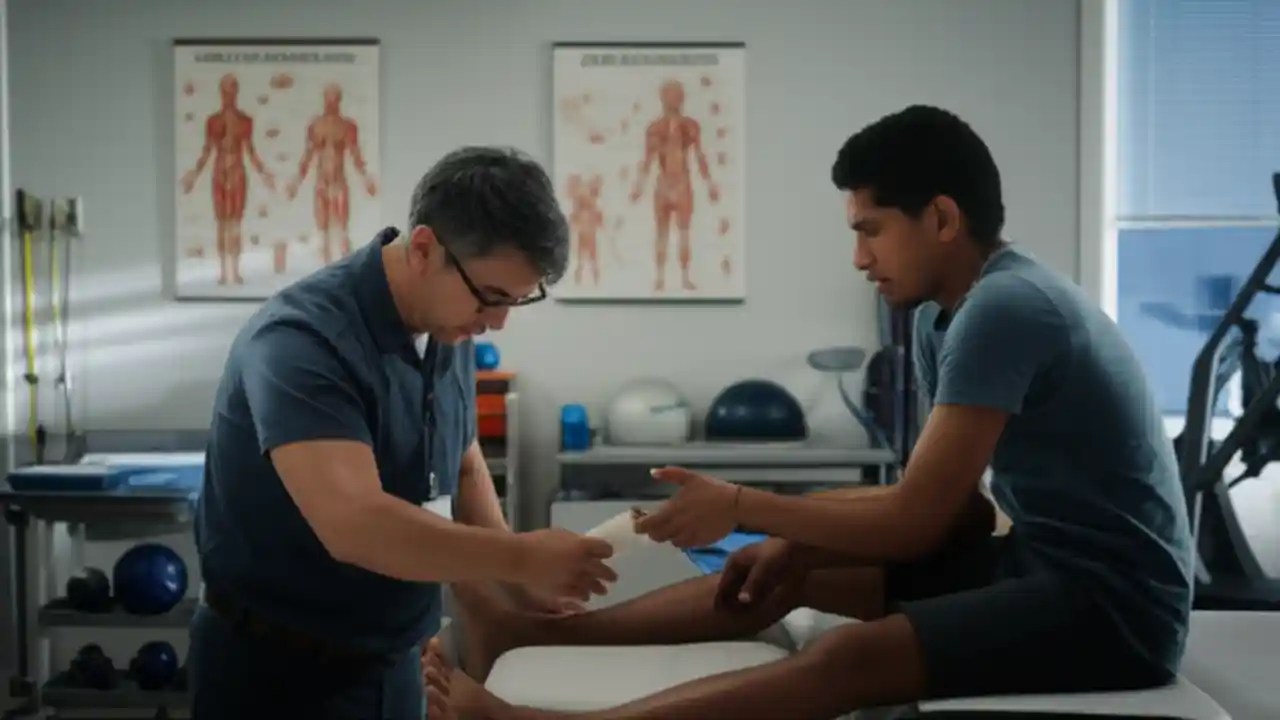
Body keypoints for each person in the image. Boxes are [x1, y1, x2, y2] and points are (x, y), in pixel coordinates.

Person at [423, 105, 1196, 719]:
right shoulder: (946, 319)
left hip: (1115, 608)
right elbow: (956, 514)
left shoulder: (1008, 309)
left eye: (871, 231)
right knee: (785, 574)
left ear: (941, 218)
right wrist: (798, 549)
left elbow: (918, 521)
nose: (860, 258)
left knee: (847, 658)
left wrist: (743, 508)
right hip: (1036, 562)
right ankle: (532, 630)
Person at [189, 146, 618, 719]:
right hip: (276, 672)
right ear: (423, 249)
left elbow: (462, 461)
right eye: (491, 297)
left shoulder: (448, 326)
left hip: (397, 660)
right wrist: (519, 559)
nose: (496, 322)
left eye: (517, 302)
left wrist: (515, 588)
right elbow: (355, 523)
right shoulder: (301, 340)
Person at [181, 73, 277, 286]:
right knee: (222, 223)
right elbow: (207, 151)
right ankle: (224, 272)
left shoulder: (245, 121)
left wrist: (264, 173)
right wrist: (194, 175)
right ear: (221, 92)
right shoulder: (213, 121)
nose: (228, 94)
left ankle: (235, 270)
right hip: (219, 172)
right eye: (225, 90)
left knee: (235, 224)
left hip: (237, 173)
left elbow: (250, 151)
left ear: (236, 92)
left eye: (231, 89)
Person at [629, 79, 720, 292]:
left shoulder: (690, 126)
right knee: (662, 232)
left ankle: (684, 276)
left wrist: (710, 184)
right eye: (670, 96)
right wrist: (639, 186)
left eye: (677, 95)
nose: (674, 100)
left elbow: (699, 156)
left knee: (683, 231)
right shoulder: (655, 129)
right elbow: (647, 160)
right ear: (663, 98)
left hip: (682, 183)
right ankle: (660, 277)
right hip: (664, 183)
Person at [285, 82, 380, 264]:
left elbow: (356, 156)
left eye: (334, 99)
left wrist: (367, 180)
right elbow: (307, 156)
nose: (331, 103)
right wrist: (296, 183)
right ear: (324, 100)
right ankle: (326, 271)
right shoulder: (316, 126)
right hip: (321, 183)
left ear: (339, 101)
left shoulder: (347, 126)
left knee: (342, 233)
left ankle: (344, 271)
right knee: (322, 235)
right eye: (328, 98)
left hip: (339, 183)